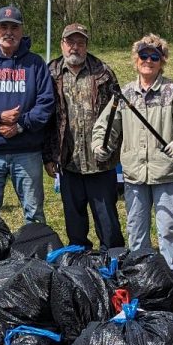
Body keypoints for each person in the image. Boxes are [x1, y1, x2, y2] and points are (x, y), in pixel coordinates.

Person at [93, 33, 173, 271]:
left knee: (169, 230)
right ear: (136, 59)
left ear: (162, 61)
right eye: (143, 55)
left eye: (154, 57)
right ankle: (142, 277)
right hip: (134, 175)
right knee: (136, 232)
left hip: (167, 173)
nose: (148, 61)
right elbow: (104, 126)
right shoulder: (125, 94)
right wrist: (99, 144)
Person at [0, 5, 56, 224]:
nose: (9, 32)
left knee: (34, 214)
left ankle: (33, 254)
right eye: (3, 27)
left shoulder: (35, 64)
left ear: (21, 30)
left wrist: (20, 124)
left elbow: (46, 103)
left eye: (14, 27)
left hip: (27, 152)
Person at [43, 22, 123, 249]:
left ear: (86, 46)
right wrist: (49, 157)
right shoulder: (51, 73)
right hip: (68, 162)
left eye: (80, 43)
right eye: (70, 42)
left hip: (100, 162)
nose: (75, 48)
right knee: (74, 221)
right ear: (62, 44)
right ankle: (80, 262)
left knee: (107, 221)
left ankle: (114, 260)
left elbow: (117, 115)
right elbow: (47, 120)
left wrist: (113, 148)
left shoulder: (103, 73)